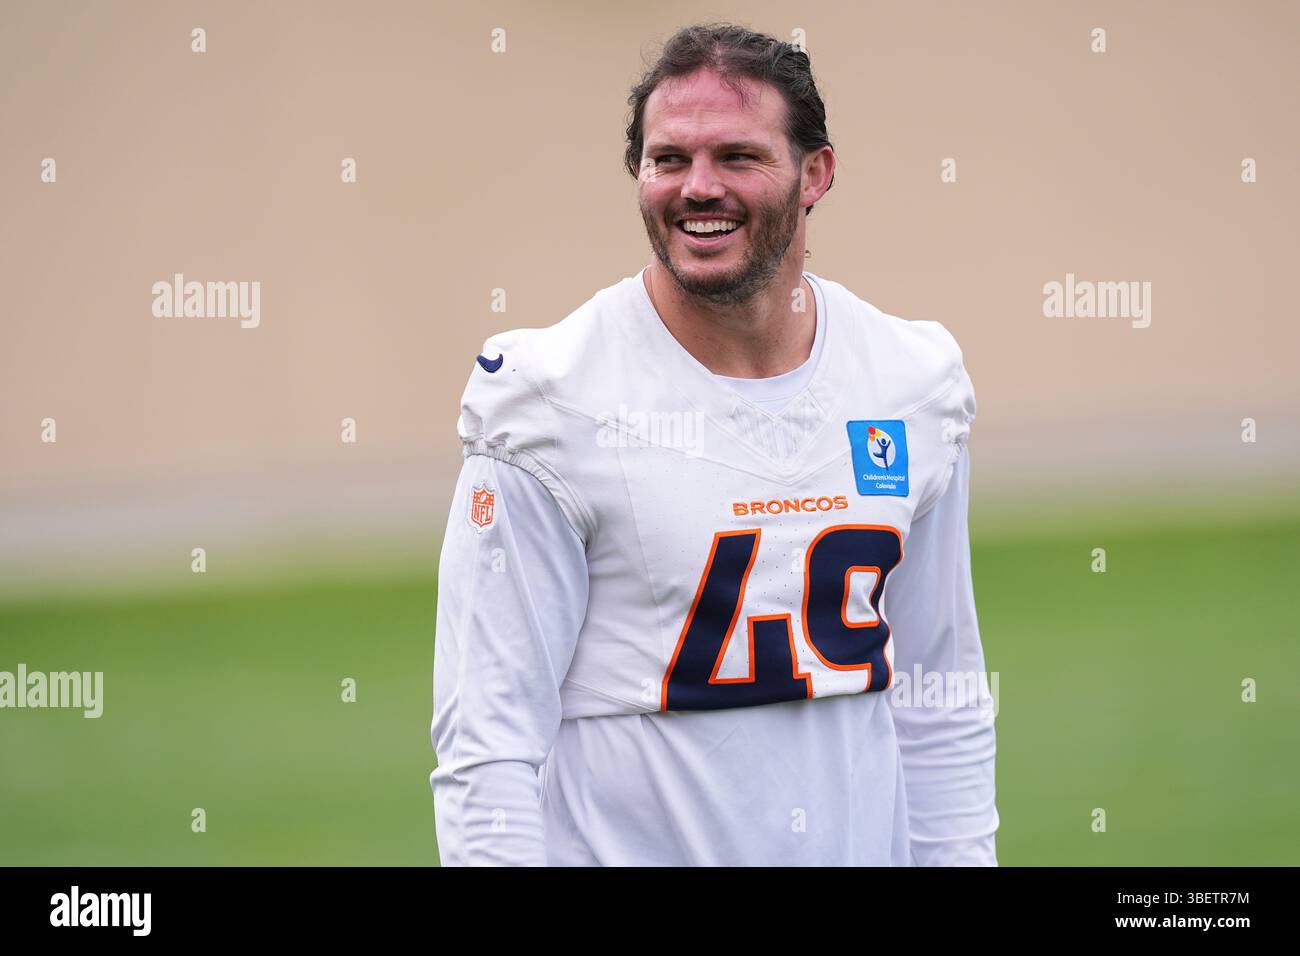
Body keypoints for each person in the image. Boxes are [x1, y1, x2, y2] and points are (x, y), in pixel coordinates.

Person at [429, 22, 998, 866]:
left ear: (816, 174)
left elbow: (938, 696)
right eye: (668, 160)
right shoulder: (551, 397)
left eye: (737, 156)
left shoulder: (909, 381)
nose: (699, 188)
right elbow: (488, 741)